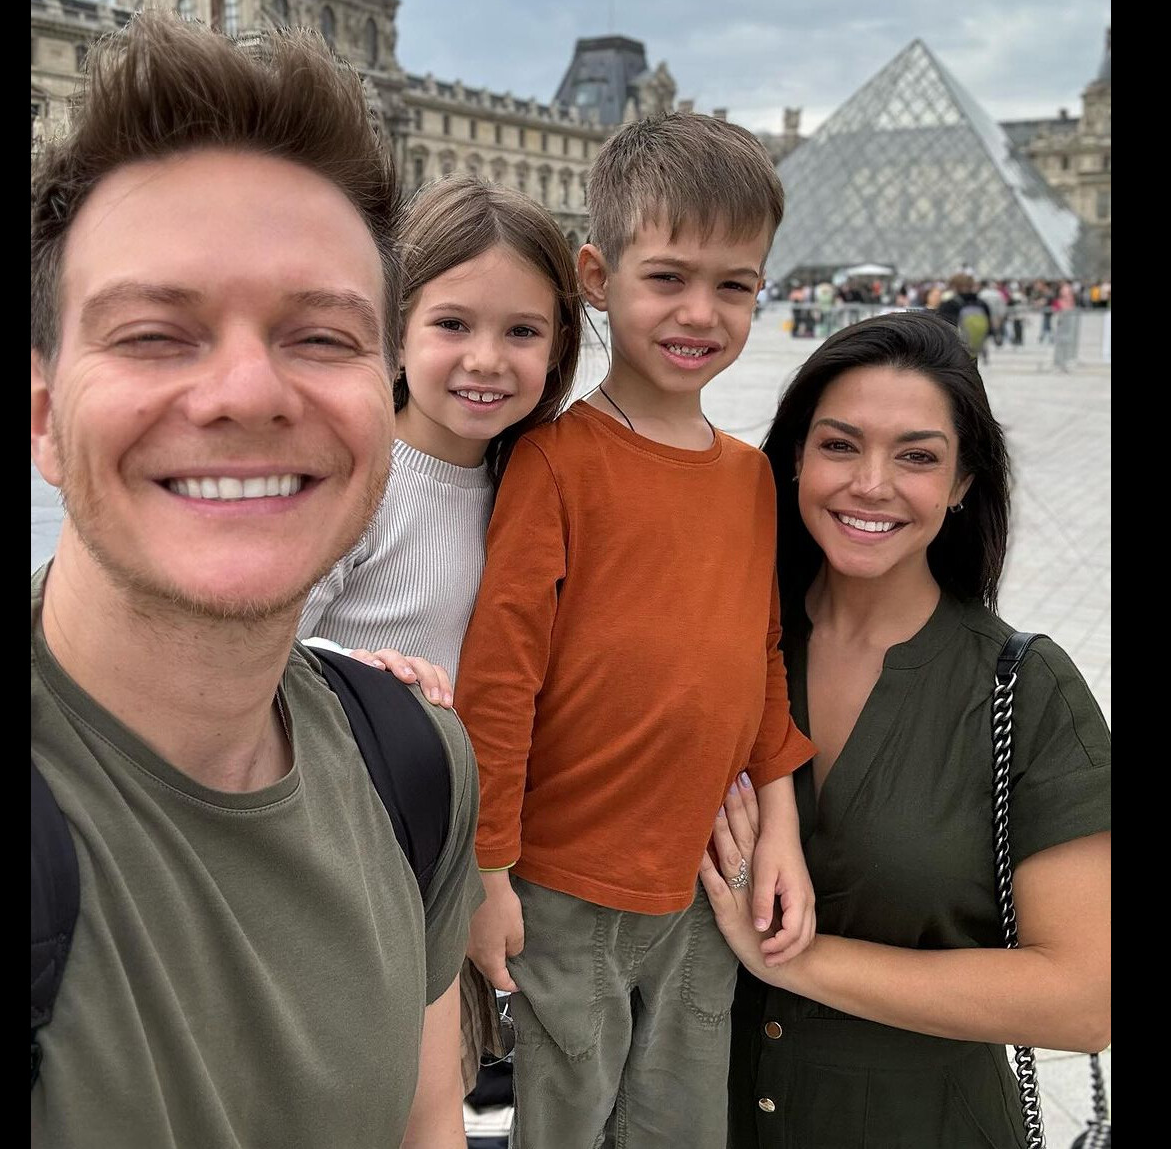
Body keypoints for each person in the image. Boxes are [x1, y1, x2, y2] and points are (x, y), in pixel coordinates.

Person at [30, 11, 483, 1148]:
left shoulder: (416, 764)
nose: (247, 393)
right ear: (41, 414)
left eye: (321, 337)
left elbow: (428, 1124)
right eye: (153, 333)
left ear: (383, 395)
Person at [455, 111, 819, 1149]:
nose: (701, 312)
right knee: (562, 1125)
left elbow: (761, 659)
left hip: (705, 883)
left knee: (682, 1127)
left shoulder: (750, 477)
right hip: (563, 882)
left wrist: (781, 831)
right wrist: (486, 874)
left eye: (734, 285)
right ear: (597, 277)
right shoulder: (555, 462)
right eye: (667, 277)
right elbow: (501, 680)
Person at [696, 310, 1111, 1148]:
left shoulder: (1025, 689)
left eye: (917, 456)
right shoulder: (711, 647)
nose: (871, 483)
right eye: (839, 445)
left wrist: (794, 958)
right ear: (796, 459)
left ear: (962, 484)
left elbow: (1083, 1001)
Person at [297, 171, 583, 1097]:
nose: (486, 360)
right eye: (453, 324)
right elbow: (263, 651)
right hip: (349, 848)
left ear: (561, 344)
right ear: (395, 328)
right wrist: (356, 671)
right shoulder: (358, 478)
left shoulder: (530, 482)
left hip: (456, 849)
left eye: (523, 332)